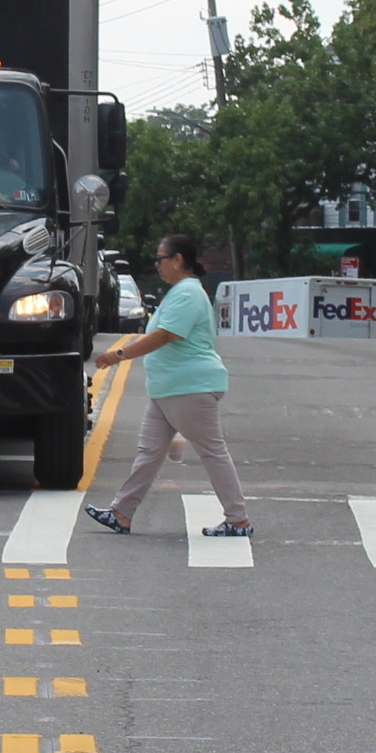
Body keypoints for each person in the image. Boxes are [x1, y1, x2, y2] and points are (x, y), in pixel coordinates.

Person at [85, 232, 252, 541]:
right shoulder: (179, 292)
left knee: (212, 452)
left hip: (190, 386)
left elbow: (165, 335)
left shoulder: (188, 293)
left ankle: (238, 519)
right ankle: (121, 513)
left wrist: (119, 354)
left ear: (178, 260)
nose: (157, 264)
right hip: (169, 389)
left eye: (161, 258)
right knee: (148, 453)